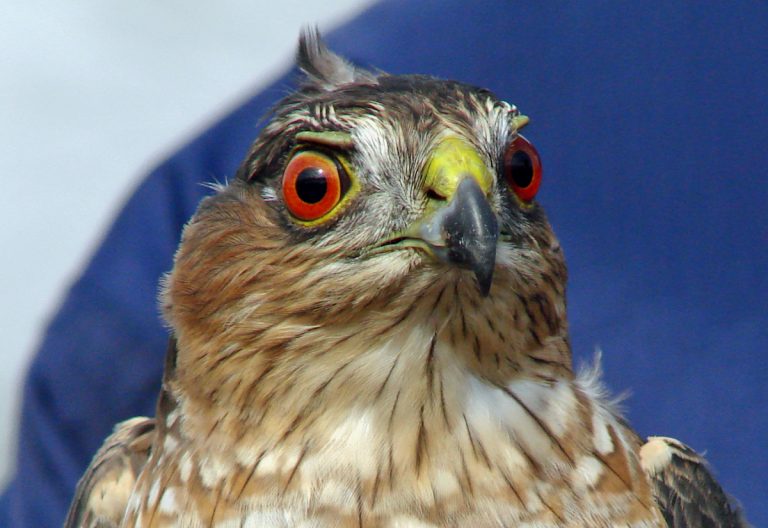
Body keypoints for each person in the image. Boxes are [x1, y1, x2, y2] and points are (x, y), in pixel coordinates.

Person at [1, 2, 766, 526]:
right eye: (318, 188)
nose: (463, 207)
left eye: (517, 177)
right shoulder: (126, 499)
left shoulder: (654, 495)